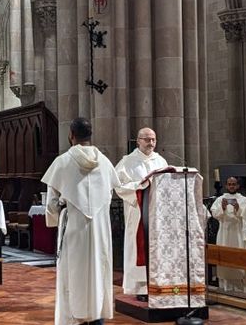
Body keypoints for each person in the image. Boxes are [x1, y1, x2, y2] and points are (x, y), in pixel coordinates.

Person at [42, 117, 119, 325]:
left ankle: (73, 319)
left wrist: (58, 213)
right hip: (99, 229)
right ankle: (96, 317)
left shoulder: (62, 162)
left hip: (74, 229)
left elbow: (51, 204)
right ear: (90, 135)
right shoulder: (104, 162)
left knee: (73, 272)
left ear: (71, 136)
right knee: (98, 269)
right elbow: (110, 195)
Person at [113, 127, 168, 301]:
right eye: (146, 139)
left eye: (153, 139)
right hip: (137, 213)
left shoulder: (161, 161)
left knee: (158, 248)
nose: (150, 143)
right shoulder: (127, 162)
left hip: (157, 215)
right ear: (138, 141)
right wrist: (140, 187)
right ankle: (141, 288)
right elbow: (118, 185)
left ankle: (157, 284)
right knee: (138, 248)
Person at [209, 177, 246, 293]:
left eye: (234, 184)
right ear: (226, 186)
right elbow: (214, 214)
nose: (232, 186)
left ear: (237, 186)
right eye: (229, 184)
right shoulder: (220, 199)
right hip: (224, 232)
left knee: (238, 259)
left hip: (238, 232)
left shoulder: (244, 200)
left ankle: (239, 289)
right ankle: (225, 288)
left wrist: (238, 209)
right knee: (224, 258)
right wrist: (222, 208)